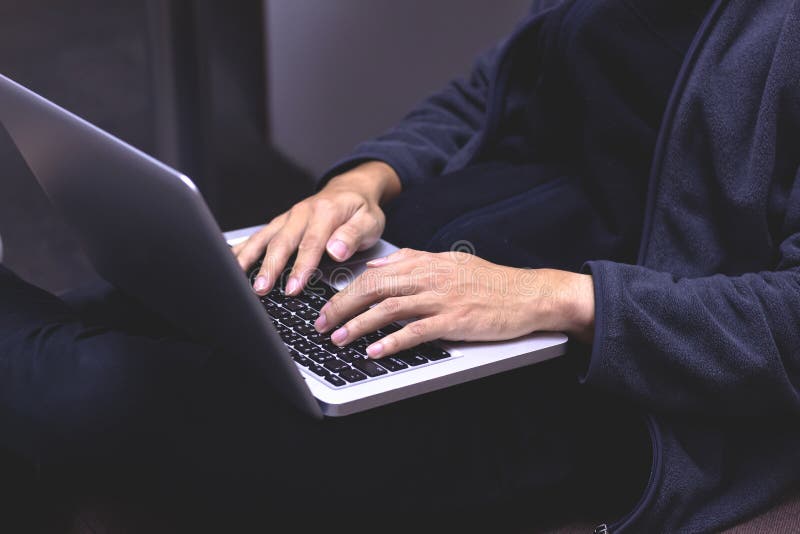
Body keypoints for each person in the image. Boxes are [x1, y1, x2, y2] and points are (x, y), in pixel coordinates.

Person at [1, 0, 799, 531]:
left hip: (620, 382)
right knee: (103, 316)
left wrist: (559, 299)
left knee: (90, 392)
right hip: (447, 246)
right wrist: (364, 180)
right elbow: (489, 88)